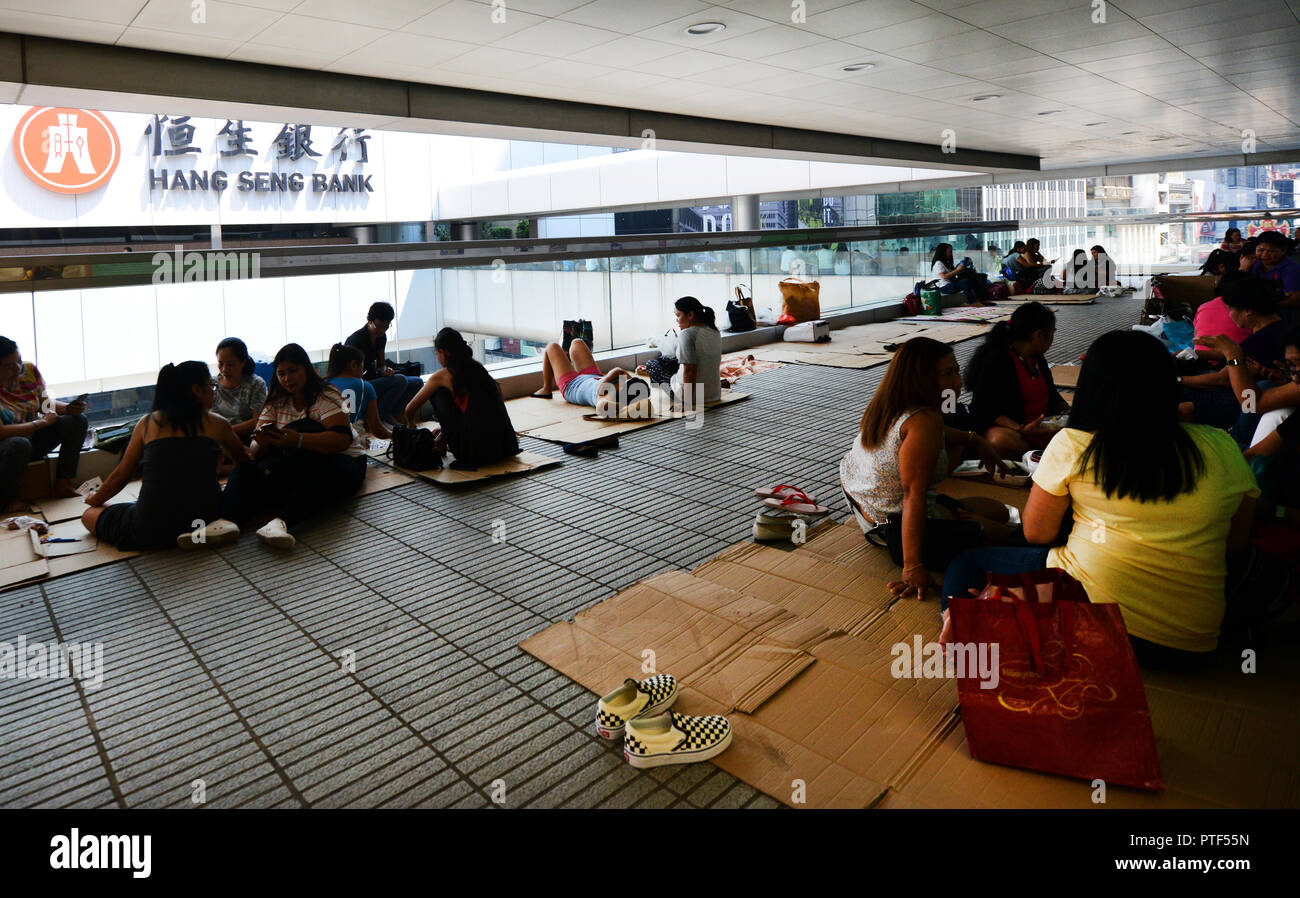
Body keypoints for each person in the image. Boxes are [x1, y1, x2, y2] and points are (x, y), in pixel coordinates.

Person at [941, 330, 1258, 670]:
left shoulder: (1075, 443)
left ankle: (964, 625)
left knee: (968, 563)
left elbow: (1037, 534)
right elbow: (1236, 544)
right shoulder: (1223, 446)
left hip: (1091, 628)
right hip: (1190, 649)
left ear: (1093, 387)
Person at [839, 337, 1012, 601]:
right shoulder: (922, 422)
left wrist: (974, 439)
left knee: (998, 511)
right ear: (921, 380)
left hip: (863, 503)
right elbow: (913, 495)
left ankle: (951, 520)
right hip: (889, 524)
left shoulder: (891, 403)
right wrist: (912, 567)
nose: (958, 382)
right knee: (1009, 538)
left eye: (956, 370)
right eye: (947, 374)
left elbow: (940, 437)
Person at [82, 362, 248, 551]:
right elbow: (245, 463)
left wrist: (94, 499)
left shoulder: (147, 423)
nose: (214, 391)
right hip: (206, 521)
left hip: (150, 530)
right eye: (211, 386)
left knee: (89, 515)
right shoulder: (219, 424)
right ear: (196, 390)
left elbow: (121, 476)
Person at [218, 343, 368, 549]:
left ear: (306, 369)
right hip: (295, 462)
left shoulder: (328, 394)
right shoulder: (277, 399)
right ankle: (226, 521)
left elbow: (342, 440)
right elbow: (255, 448)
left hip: (341, 460)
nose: (287, 378)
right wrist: (260, 444)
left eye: (292, 371)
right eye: (281, 373)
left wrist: (297, 439)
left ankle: (281, 522)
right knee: (246, 469)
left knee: (315, 448)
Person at [1179, 274, 1288, 428]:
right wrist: (1197, 353)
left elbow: (1222, 380)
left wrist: (1177, 380)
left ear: (1248, 311)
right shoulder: (1277, 328)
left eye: (1230, 309)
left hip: (1237, 401)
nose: (1229, 315)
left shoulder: (1261, 342)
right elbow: (1233, 359)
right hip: (1243, 397)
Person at [966, 302, 1070, 458]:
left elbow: (1052, 393)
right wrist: (1021, 428)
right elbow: (984, 408)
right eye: (1052, 332)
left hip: (1043, 426)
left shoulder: (1037, 358)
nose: (1053, 339)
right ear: (1039, 335)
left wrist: (1068, 412)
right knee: (999, 441)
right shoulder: (997, 359)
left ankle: (1042, 454)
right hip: (1015, 431)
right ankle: (1040, 454)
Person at [404, 328, 519, 468]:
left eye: (437, 353)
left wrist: (411, 426)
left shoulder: (443, 376)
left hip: (474, 453)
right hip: (504, 446)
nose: (437, 358)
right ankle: (444, 438)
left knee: (437, 391)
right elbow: (473, 411)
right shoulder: (478, 368)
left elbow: (409, 409)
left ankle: (444, 442)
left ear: (444, 352)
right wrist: (443, 433)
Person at [0, 336, 87, 512]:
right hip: (8, 449)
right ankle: (9, 500)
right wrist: (40, 423)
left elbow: (44, 404)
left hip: (31, 440)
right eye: (9, 365)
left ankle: (63, 483)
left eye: (18, 361)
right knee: (18, 443)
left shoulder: (29, 370)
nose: (17, 368)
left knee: (76, 421)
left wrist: (69, 409)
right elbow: (1, 432)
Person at [1241, 326, 1300, 507]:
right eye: (1291, 367)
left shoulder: (1254, 342)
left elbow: (1250, 405)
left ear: (1247, 311)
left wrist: (1234, 361)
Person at [344, 301, 424, 425]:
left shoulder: (381, 337)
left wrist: (385, 370)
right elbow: (350, 375)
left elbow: (381, 365)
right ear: (369, 320)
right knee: (400, 380)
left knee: (417, 382)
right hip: (359, 384)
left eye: (386, 327)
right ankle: (381, 417)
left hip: (372, 379)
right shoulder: (356, 340)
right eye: (379, 327)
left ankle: (393, 413)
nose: (382, 331)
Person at [531, 338, 652, 418]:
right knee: (577, 342)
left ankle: (546, 388)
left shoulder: (608, 396)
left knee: (552, 347)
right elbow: (619, 371)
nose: (625, 379)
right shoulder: (621, 385)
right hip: (593, 376)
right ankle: (567, 360)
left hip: (572, 385)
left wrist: (622, 406)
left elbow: (601, 407)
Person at [326, 343, 391, 440]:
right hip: (350, 443)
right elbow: (377, 430)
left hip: (326, 442)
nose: (362, 373)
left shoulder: (323, 385)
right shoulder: (365, 386)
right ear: (353, 365)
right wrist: (396, 436)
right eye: (362, 369)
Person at [670, 296, 721, 407]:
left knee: (653, 366)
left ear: (690, 315)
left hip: (695, 397)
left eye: (678, 315)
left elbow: (689, 370)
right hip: (714, 394)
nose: (676, 320)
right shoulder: (715, 331)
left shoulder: (687, 334)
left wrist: (686, 403)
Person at [212, 337, 267, 440]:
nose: (224, 369)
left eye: (230, 364)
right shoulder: (211, 384)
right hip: (215, 438)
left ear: (243, 362)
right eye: (221, 363)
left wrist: (226, 432)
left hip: (246, 438)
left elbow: (257, 420)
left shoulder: (256, 384)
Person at [1249, 230, 1300, 309]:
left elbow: (1294, 299)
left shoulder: (1291, 270)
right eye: (1261, 250)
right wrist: (1243, 269)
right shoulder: (1252, 264)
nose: (1265, 255)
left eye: (1271, 251)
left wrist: (1263, 306)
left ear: (1283, 251)